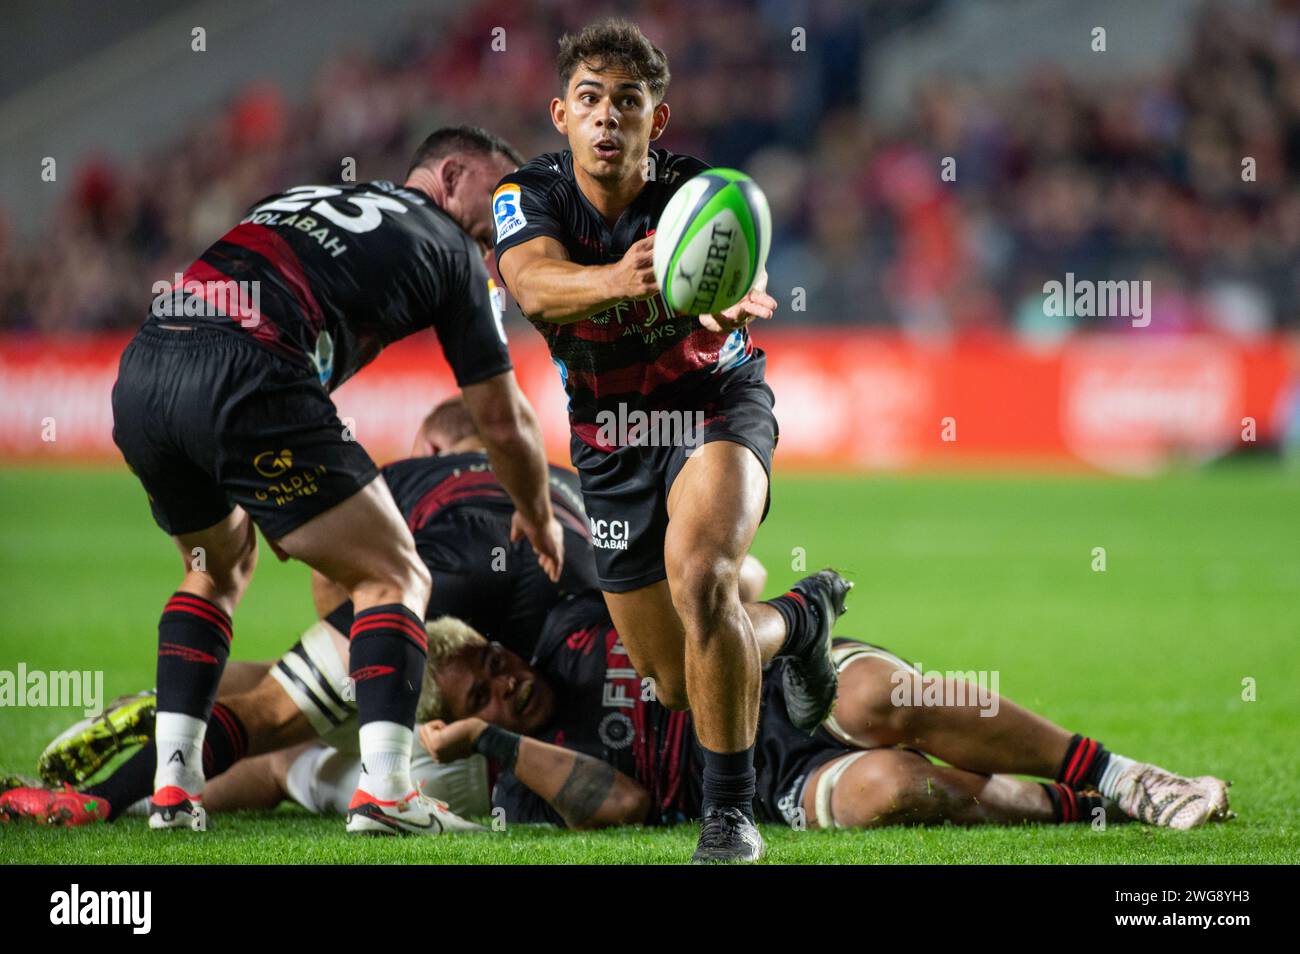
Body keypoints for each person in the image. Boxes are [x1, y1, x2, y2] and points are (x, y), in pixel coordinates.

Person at [108, 127, 561, 835]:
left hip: (143, 372)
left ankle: (173, 788)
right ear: (449, 175)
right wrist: (536, 511)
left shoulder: (302, 196)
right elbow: (502, 422)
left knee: (215, 568)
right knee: (395, 576)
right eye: (500, 196)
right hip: (250, 369)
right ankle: (387, 795)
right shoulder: (452, 251)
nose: (507, 222)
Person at [491, 16, 847, 863]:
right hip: (609, 439)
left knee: (704, 577)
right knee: (673, 681)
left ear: (659, 120)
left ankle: (728, 820)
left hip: (712, 405)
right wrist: (620, 279)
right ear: (561, 115)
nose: (608, 117)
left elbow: (742, 261)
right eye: (590, 100)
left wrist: (732, 294)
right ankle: (798, 620)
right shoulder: (528, 195)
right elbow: (533, 286)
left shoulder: (700, 191)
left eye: (628, 101)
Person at [8, 398, 593, 831]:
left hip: (455, 584)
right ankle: (168, 721)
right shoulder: (558, 477)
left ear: (434, 449)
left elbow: (326, 571)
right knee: (304, 712)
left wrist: (351, 660)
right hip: (578, 608)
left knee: (280, 713)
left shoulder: (399, 480)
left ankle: (112, 791)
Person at [417, 591, 1234, 834]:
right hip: (762, 777)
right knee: (888, 788)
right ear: (466, 732)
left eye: (495, 666)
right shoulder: (524, 788)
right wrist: (493, 740)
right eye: (481, 702)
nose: (505, 687)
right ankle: (1076, 809)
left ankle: (1126, 777)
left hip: (776, 682)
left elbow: (714, 593)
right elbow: (625, 804)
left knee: (883, 699)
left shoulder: (571, 623)